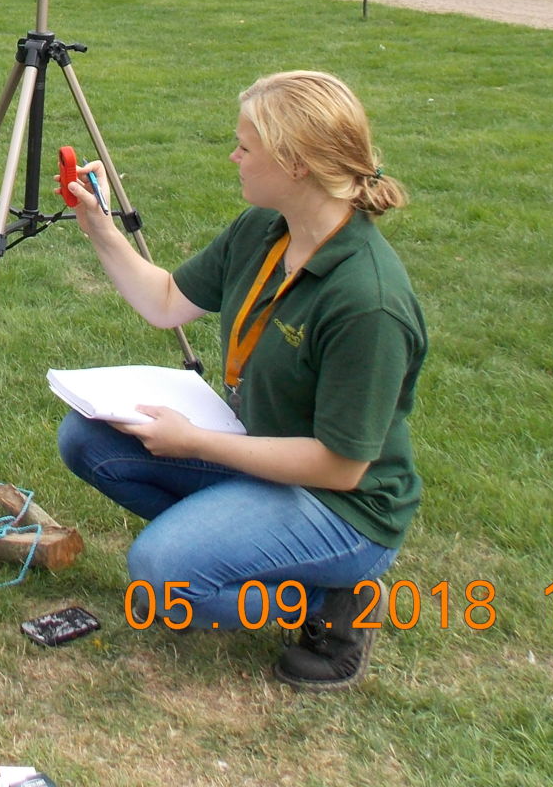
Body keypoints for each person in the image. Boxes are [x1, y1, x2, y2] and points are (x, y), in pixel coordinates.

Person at [58, 70, 426, 689]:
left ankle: (336, 598)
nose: (233, 156)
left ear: (297, 164)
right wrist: (100, 227)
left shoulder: (369, 303)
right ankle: (237, 547)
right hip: (262, 453)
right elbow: (166, 302)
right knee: (87, 438)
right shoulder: (263, 230)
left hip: (343, 504)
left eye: (245, 146)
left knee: (163, 580)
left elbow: (341, 467)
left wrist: (195, 443)